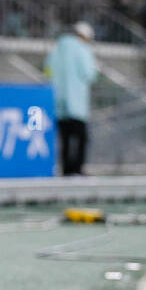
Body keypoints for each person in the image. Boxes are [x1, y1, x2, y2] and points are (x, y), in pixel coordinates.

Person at [47, 21, 97, 175]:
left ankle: (66, 169)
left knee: (64, 138)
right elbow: (89, 74)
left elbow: (48, 71)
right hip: (77, 103)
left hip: (59, 101)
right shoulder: (83, 50)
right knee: (81, 138)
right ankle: (77, 168)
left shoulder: (56, 49)